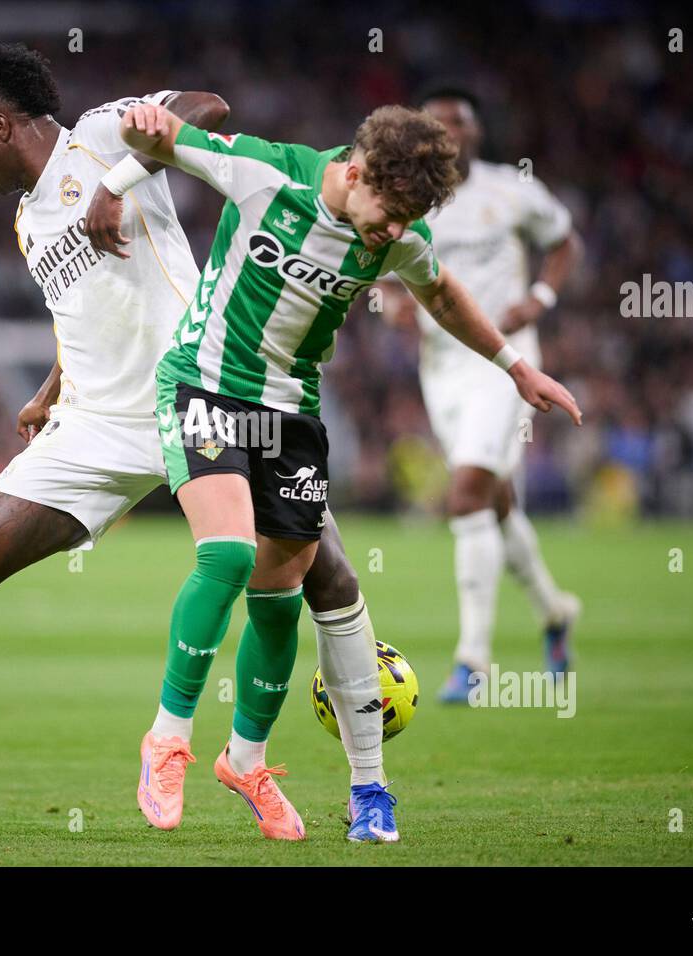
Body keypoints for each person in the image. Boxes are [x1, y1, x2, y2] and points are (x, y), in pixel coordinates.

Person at [0, 42, 399, 845]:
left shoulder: (101, 133)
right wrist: (50, 385)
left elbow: (207, 107)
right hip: (96, 424)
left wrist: (115, 182)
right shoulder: (26, 221)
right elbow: (86, 313)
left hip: (204, 392)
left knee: (328, 581)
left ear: (1, 125)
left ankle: (368, 788)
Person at [116, 100, 582, 841]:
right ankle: (167, 739)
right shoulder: (265, 173)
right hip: (204, 386)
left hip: (292, 414)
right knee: (228, 553)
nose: (394, 233)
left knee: (280, 599)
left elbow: (441, 293)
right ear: (356, 173)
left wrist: (515, 366)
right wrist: (129, 145)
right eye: (391, 214)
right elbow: (165, 137)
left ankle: (246, 762)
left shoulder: (398, 235)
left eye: (409, 221)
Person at [409, 84, 583, 701]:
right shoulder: (408, 197)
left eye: (459, 121)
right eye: (437, 123)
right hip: (441, 366)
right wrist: (388, 302)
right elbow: (381, 264)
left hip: (506, 363)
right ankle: (555, 611)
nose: (449, 132)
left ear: (477, 132)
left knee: (466, 492)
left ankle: (473, 662)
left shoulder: (511, 189)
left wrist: (540, 298)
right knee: (496, 499)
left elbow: (564, 240)